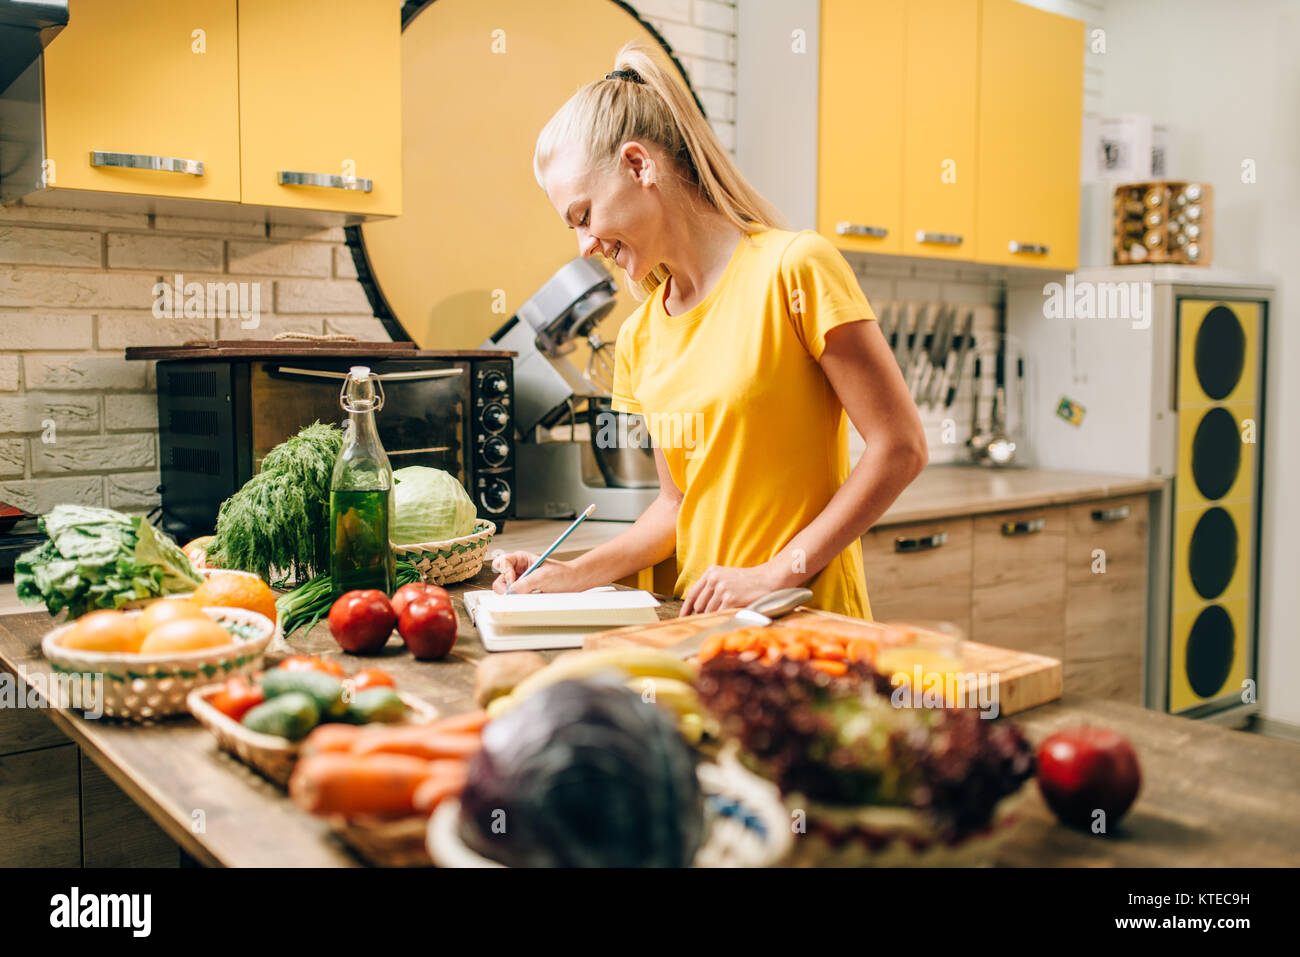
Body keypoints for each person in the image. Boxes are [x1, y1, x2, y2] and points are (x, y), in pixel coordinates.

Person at [490, 41, 927, 618]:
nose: (585, 245)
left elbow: (901, 448)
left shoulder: (795, 268)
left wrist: (775, 573)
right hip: (695, 624)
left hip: (804, 620)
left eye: (583, 215)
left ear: (639, 165)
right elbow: (676, 507)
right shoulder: (639, 336)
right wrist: (572, 574)